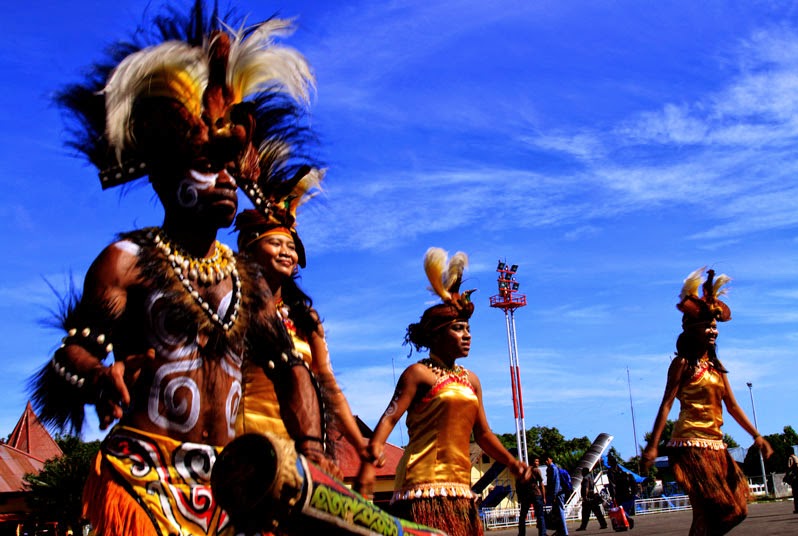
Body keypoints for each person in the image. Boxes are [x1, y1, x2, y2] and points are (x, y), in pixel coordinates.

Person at [29, 5, 332, 535]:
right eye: (208, 167)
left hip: (227, 488)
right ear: (168, 175)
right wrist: (98, 376)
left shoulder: (249, 282)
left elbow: (290, 368)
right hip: (142, 483)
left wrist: (310, 451)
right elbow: (68, 359)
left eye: (230, 170)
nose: (225, 183)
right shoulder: (126, 262)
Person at [357, 248, 528, 536]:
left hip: (461, 489)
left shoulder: (471, 380)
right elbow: (389, 418)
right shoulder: (418, 374)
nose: (467, 335)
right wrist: (370, 456)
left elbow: (483, 435)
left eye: (468, 329)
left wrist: (513, 463)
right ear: (437, 335)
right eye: (458, 328)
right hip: (421, 490)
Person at [234, 202, 369, 468]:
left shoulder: (306, 319)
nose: (286, 252)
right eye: (275, 243)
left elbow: (327, 382)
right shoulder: (232, 304)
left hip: (302, 447)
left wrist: (359, 442)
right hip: (245, 440)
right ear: (249, 249)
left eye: (292, 247)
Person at [642, 268, 774, 535]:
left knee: (738, 510)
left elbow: (733, 406)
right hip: (690, 444)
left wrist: (757, 436)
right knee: (722, 510)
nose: (713, 331)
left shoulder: (716, 366)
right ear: (693, 329)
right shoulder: (682, 364)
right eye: (708, 326)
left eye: (715, 327)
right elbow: (666, 404)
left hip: (716, 445)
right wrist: (653, 446)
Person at [517, 456, 547, 536]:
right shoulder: (536, 470)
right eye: (536, 461)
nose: (537, 463)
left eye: (538, 461)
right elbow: (541, 484)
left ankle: (521, 533)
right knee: (540, 515)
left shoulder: (525, 471)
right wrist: (544, 497)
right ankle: (542, 533)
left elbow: (519, 484)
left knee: (522, 516)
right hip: (536, 494)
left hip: (526, 495)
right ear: (532, 462)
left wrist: (520, 496)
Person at [607, 456, 635, 528]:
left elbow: (612, 484)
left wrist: (612, 495)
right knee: (622, 508)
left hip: (618, 492)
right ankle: (625, 521)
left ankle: (628, 519)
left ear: (611, 462)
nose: (607, 462)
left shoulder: (610, 471)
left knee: (618, 508)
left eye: (608, 461)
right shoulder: (620, 469)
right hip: (624, 491)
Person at [545, 455, 569, 536]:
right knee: (557, 513)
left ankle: (565, 532)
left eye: (547, 459)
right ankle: (560, 531)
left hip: (559, 493)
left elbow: (556, 482)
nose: (546, 461)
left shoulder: (553, 468)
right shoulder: (549, 468)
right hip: (556, 493)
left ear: (551, 459)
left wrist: (554, 495)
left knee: (560, 511)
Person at [577, 467, 607, 531]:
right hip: (593, 497)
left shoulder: (585, 478)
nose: (581, 473)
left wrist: (585, 497)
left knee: (585, 513)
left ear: (585, 472)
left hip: (588, 498)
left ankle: (583, 526)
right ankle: (603, 524)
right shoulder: (591, 477)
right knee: (597, 512)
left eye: (582, 471)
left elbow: (586, 487)